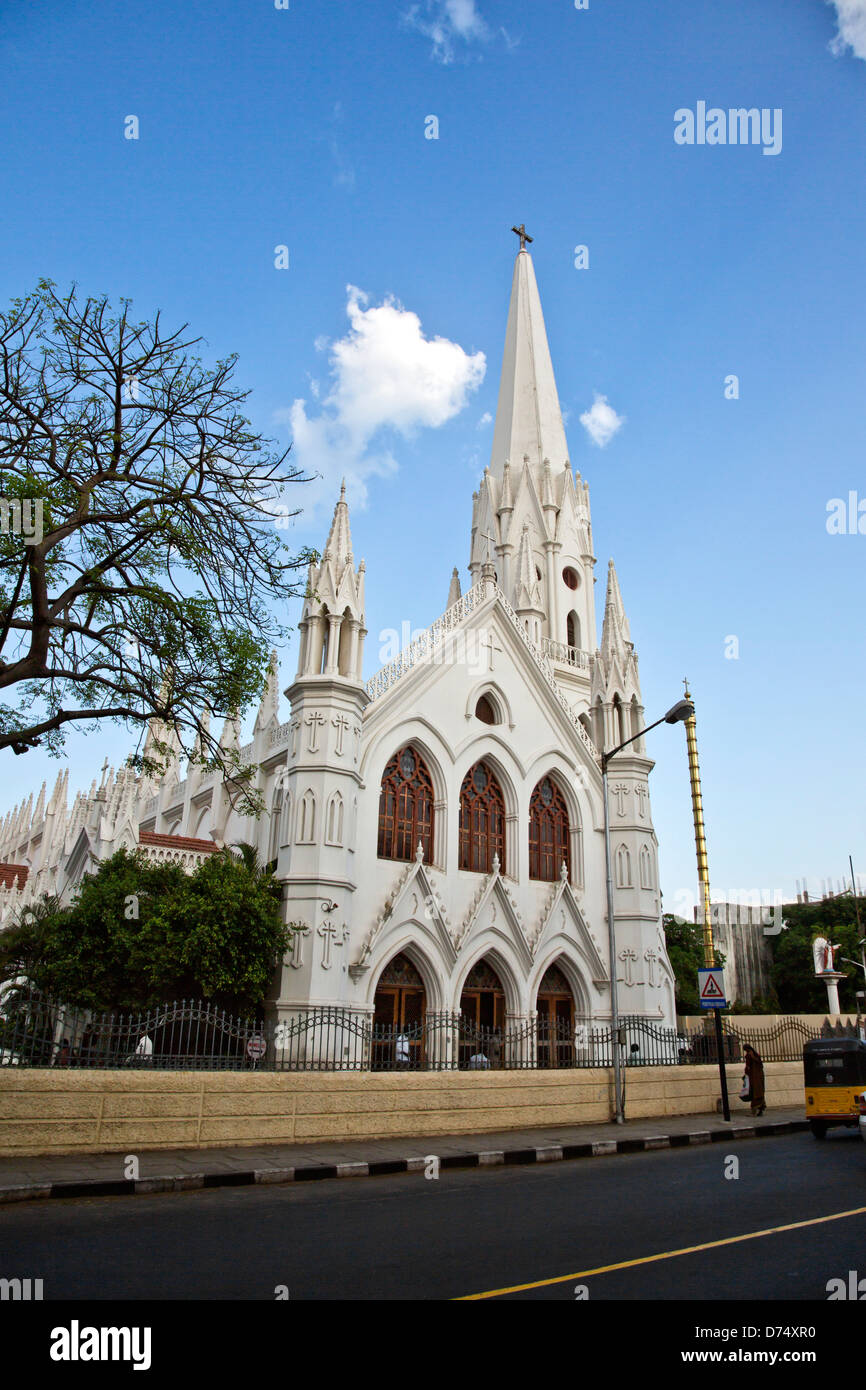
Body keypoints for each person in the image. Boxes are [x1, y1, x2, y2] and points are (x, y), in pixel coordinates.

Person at [743, 1044, 765, 1116]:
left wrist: (746, 1074)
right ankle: (760, 1110)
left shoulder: (749, 1056)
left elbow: (748, 1067)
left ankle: (754, 1112)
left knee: (754, 1093)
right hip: (759, 1077)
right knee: (760, 1092)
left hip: (753, 1077)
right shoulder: (756, 1055)